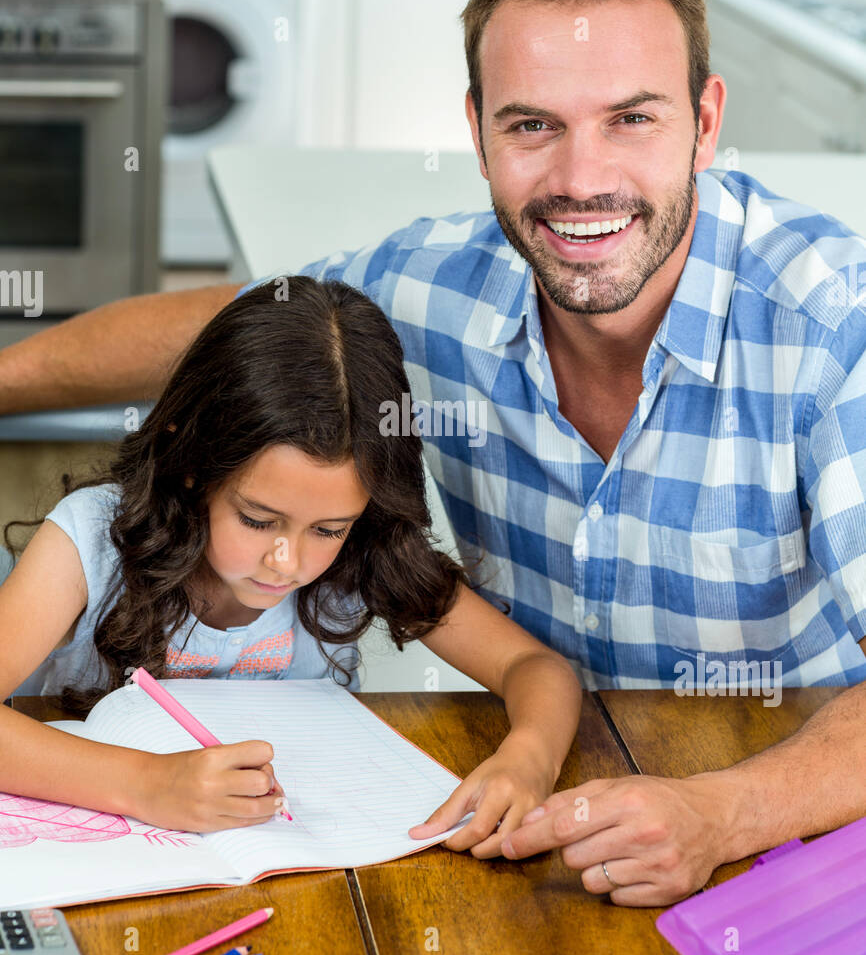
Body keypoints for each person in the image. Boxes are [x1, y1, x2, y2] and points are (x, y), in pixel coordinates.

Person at [3, 0, 866, 905]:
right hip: (524, 814)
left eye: (631, 118)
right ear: (477, 130)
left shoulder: (828, 327)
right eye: (531, 124)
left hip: (781, 814)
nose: (581, 178)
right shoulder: (434, 285)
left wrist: (725, 815)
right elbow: (226, 330)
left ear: (705, 121)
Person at [0, 278, 581, 843]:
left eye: (328, 529)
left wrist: (530, 756)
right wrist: (147, 783)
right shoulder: (90, 542)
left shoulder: (363, 556)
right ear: (194, 464)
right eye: (257, 519)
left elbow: (533, 666)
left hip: (294, 854)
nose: (287, 561)